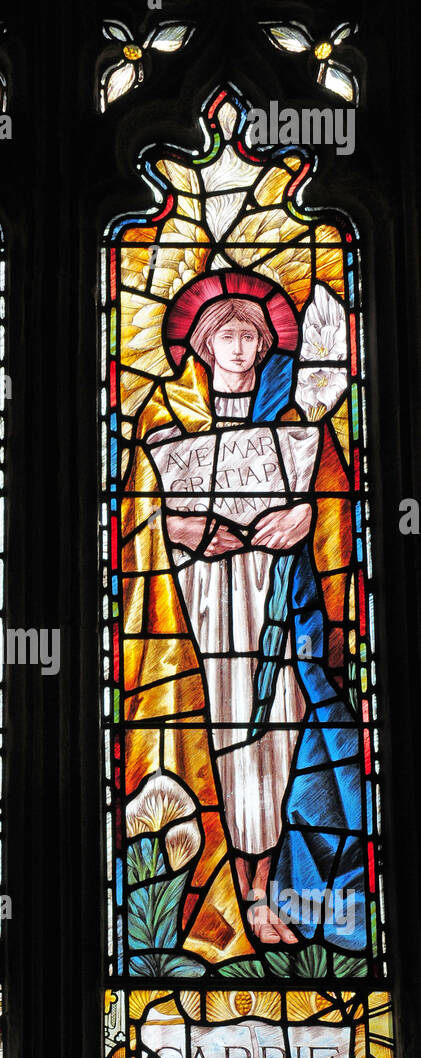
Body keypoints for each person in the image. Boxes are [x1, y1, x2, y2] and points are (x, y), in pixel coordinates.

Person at [123, 289, 364, 952]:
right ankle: (214, 895)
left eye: (248, 337)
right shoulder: (162, 422)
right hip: (192, 610)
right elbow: (125, 522)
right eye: (223, 337)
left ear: (264, 347)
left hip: (275, 607)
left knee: (274, 743)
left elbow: (335, 509)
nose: (236, 348)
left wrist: (305, 516)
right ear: (201, 348)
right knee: (212, 745)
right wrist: (184, 529)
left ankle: (261, 893)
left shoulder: (298, 423)